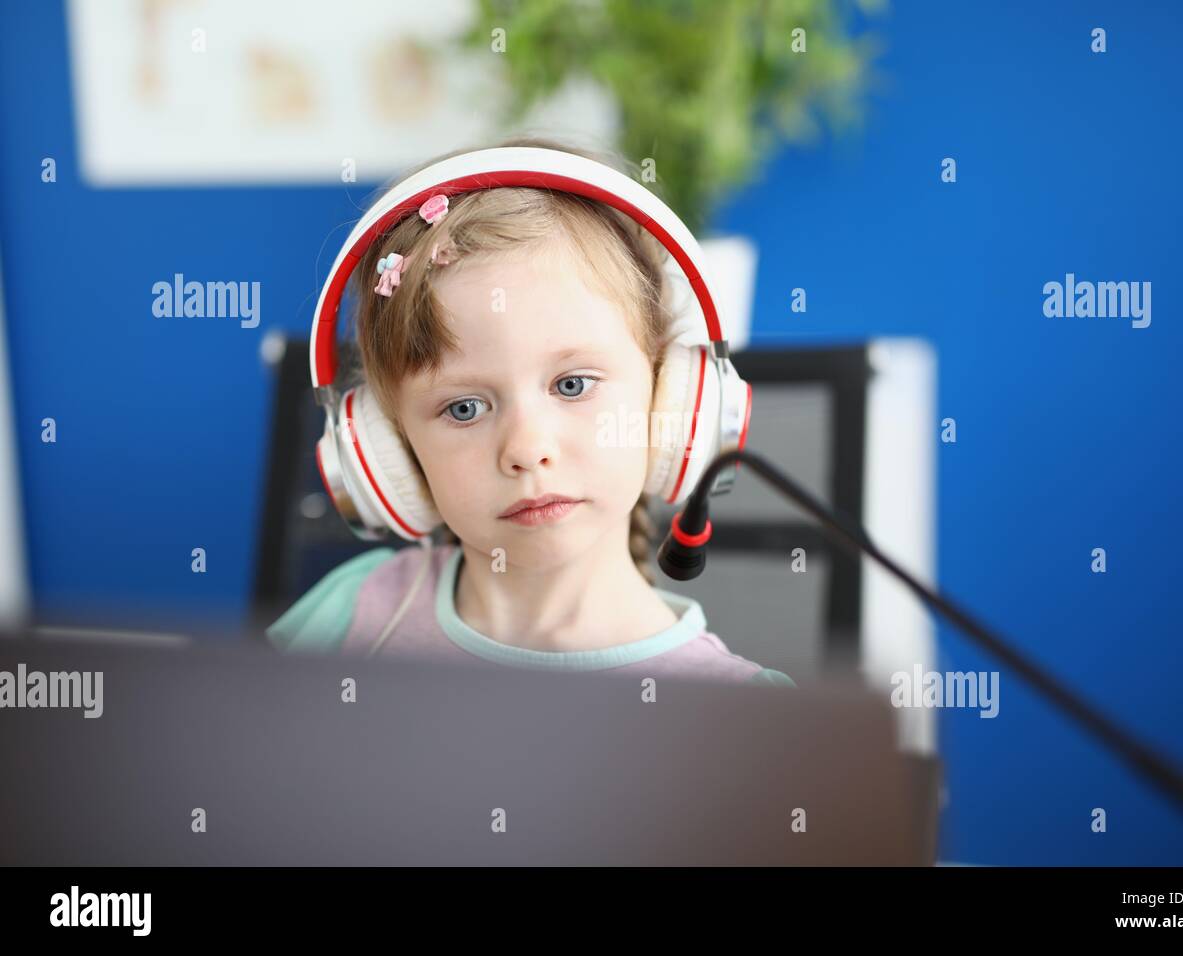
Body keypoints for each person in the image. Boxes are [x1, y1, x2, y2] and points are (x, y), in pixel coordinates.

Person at [267, 135, 794, 688]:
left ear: (668, 396)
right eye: (465, 407)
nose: (526, 449)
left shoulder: (746, 713)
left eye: (571, 384)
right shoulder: (354, 617)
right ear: (392, 447)